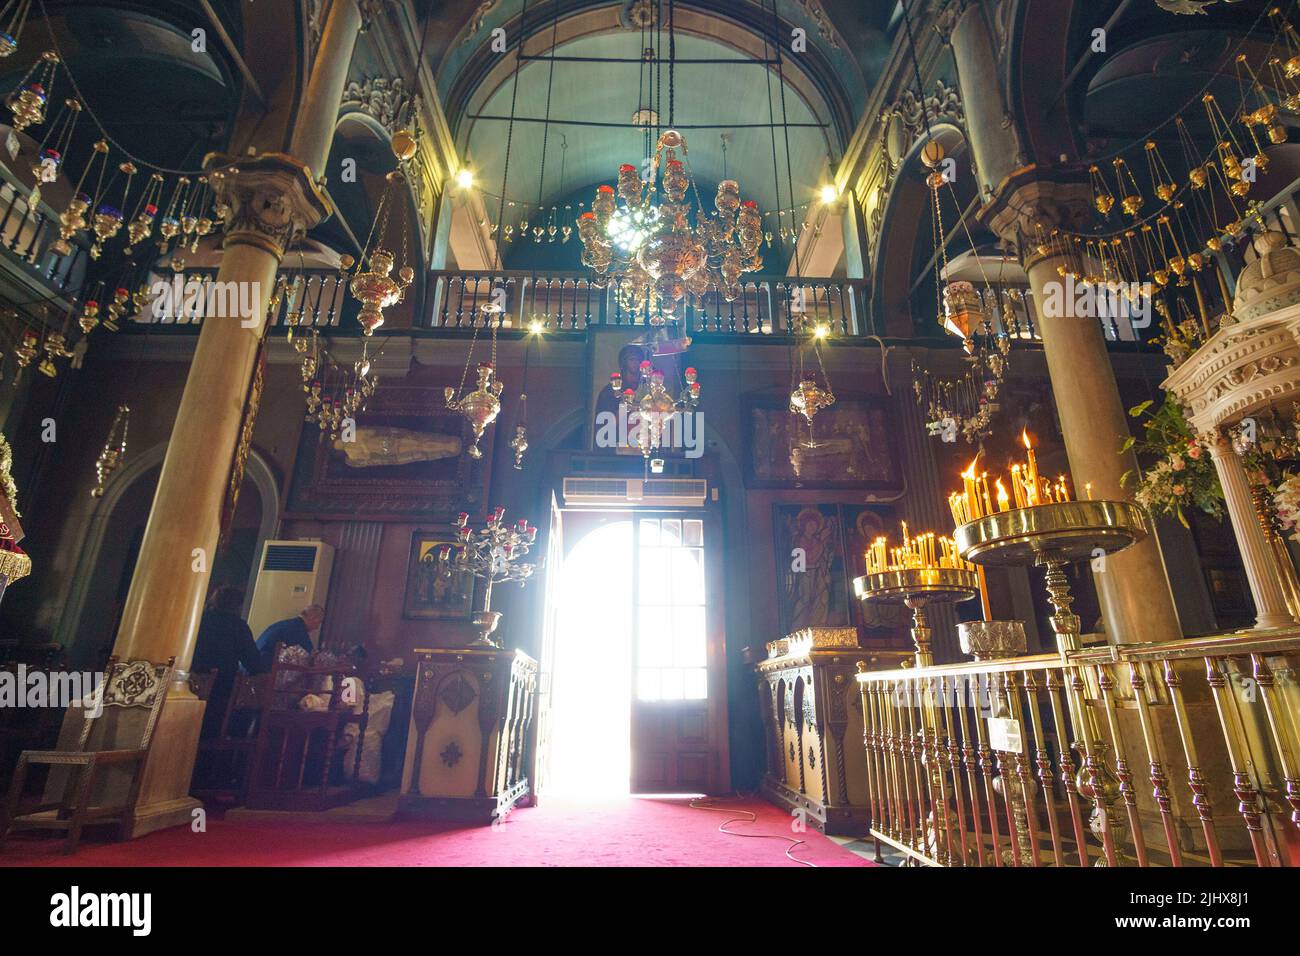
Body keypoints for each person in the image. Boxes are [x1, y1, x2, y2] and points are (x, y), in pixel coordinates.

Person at [191, 586, 264, 739]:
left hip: (187, 688)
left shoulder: (197, 619)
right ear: (238, 605)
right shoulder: (238, 626)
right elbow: (254, 663)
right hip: (219, 692)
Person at [255, 604, 325, 670]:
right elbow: (312, 656)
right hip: (262, 670)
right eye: (318, 622)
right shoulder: (298, 629)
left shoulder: (290, 624)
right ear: (312, 618)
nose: (317, 627)